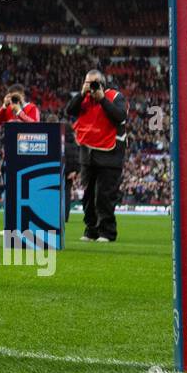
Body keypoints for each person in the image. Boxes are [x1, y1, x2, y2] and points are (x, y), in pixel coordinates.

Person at [64, 68, 128, 243]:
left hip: (110, 155)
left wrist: (102, 99)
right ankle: (91, 230)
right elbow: (69, 111)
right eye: (87, 82)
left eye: (94, 83)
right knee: (88, 196)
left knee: (104, 196)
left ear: (102, 83)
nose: (91, 86)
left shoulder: (115, 97)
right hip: (88, 154)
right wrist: (81, 93)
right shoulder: (83, 99)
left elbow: (120, 116)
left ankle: (107, 232)